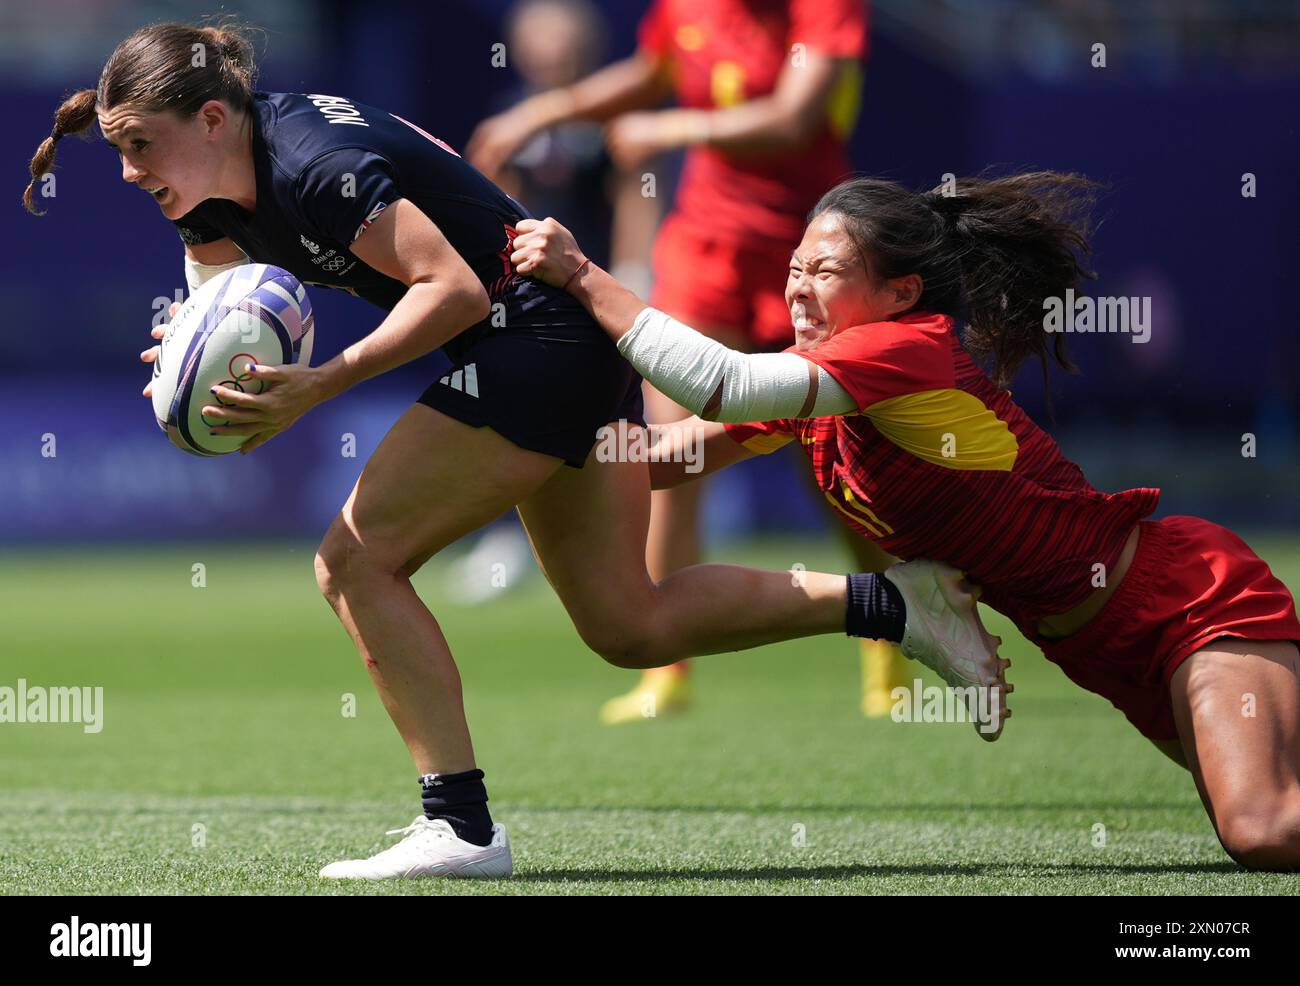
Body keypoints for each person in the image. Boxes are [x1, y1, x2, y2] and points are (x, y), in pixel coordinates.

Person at [24, 22, 1005, 880]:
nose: (127, 171)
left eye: (140, 145)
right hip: (556, 345)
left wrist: (322, 383)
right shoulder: (202, 194)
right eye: (118, 151)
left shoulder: (315, 162)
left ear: (210, 119)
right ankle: (895, 600)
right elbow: (220, 302)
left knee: (354, 560)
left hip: (536, 341)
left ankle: (459, 823)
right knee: (631, 623)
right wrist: (189, 360)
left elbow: (450, 289)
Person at [510, 172, 1300, 870]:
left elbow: (722, 382)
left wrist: (581, 275)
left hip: (1187, 608)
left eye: (825, 271)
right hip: (1097, 653)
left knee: (1260, 830)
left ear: (900, 294)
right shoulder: (819, 392)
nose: (796, 289)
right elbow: (666, 458)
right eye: (794, 270)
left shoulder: (903, 349)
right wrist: (526, 435)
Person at [469, 0, 908, 725]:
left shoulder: (824, 10)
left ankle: (886, 636)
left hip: (813, 252)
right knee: (666, 452)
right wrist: (541, 113)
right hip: (705, 245)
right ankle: (666, 665)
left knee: (831, 460)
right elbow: (650, 73)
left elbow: (796, 118)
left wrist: (671, 126)